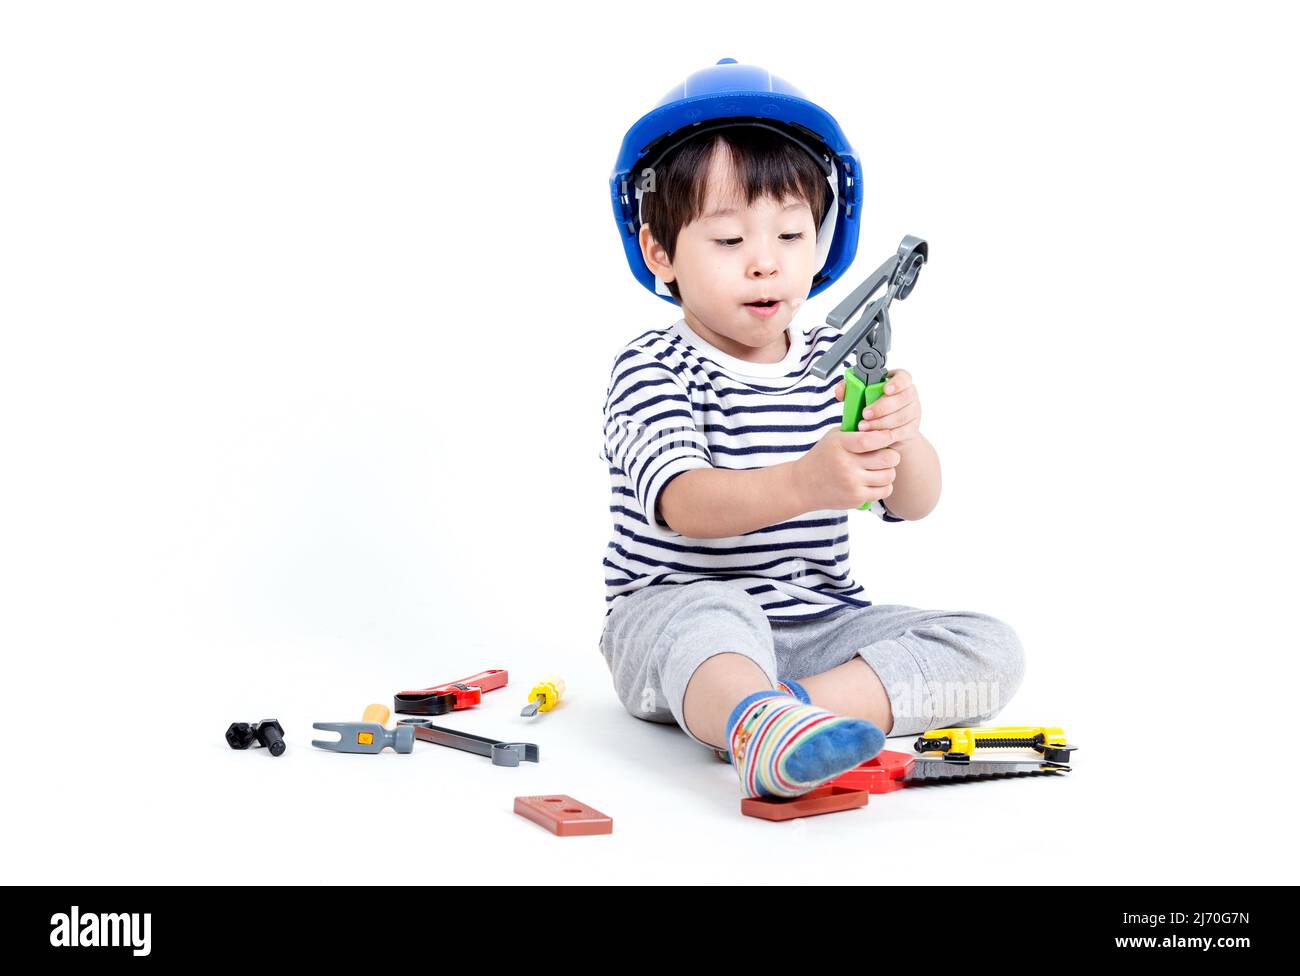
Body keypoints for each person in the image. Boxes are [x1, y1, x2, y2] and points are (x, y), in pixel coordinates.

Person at [600, 59, 1024, 800]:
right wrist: (806, 481)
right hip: (676, 617)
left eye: (792, 234)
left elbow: (912, 502)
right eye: (730, 242)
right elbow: (685, 506)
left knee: (989, 647)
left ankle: (785, 717)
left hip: (817, 626)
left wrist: (905, 438)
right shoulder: (654, 367)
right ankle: (749, 708)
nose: (766, 264)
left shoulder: (834, 364)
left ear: (825, 240)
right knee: (714, 618)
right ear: (660, 252)